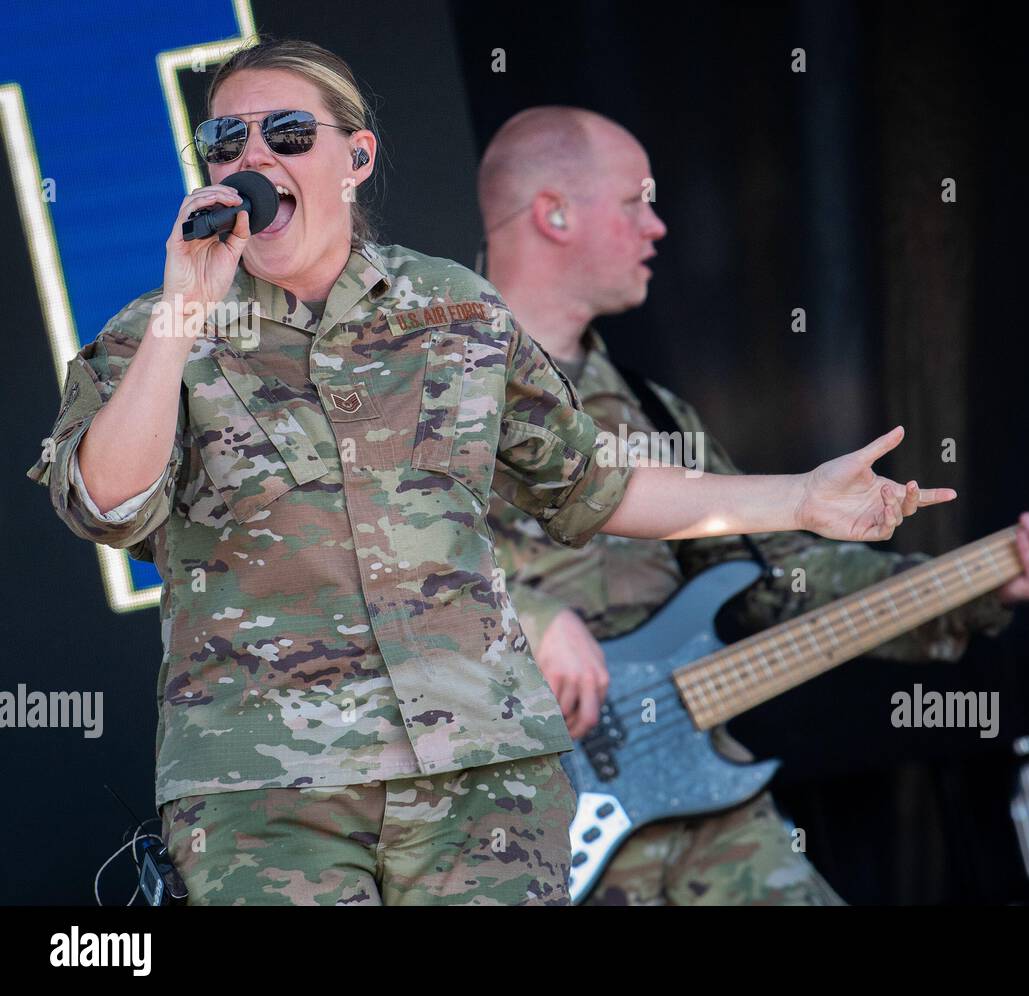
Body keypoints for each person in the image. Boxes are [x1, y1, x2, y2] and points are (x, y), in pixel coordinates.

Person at [27, 43, 951, 906]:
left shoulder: (455, 311)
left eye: (289, 134)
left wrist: (797, 497)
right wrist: (183, 317)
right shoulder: (154, 331)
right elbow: (105, 502)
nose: (254, 158)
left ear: (355, 159)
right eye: (228, 139)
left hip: (485, 780)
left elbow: (595, 486)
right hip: (269, 791)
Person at [478, 106, 1029, 906]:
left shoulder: (651, 410)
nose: (658, 226)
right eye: (636, 201)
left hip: (699, 801)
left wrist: (987, 580)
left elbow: (775, 577)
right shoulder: (422, 386)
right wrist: (522, 615)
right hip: (510, 821)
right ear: (554, 213)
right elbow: (328, 574)